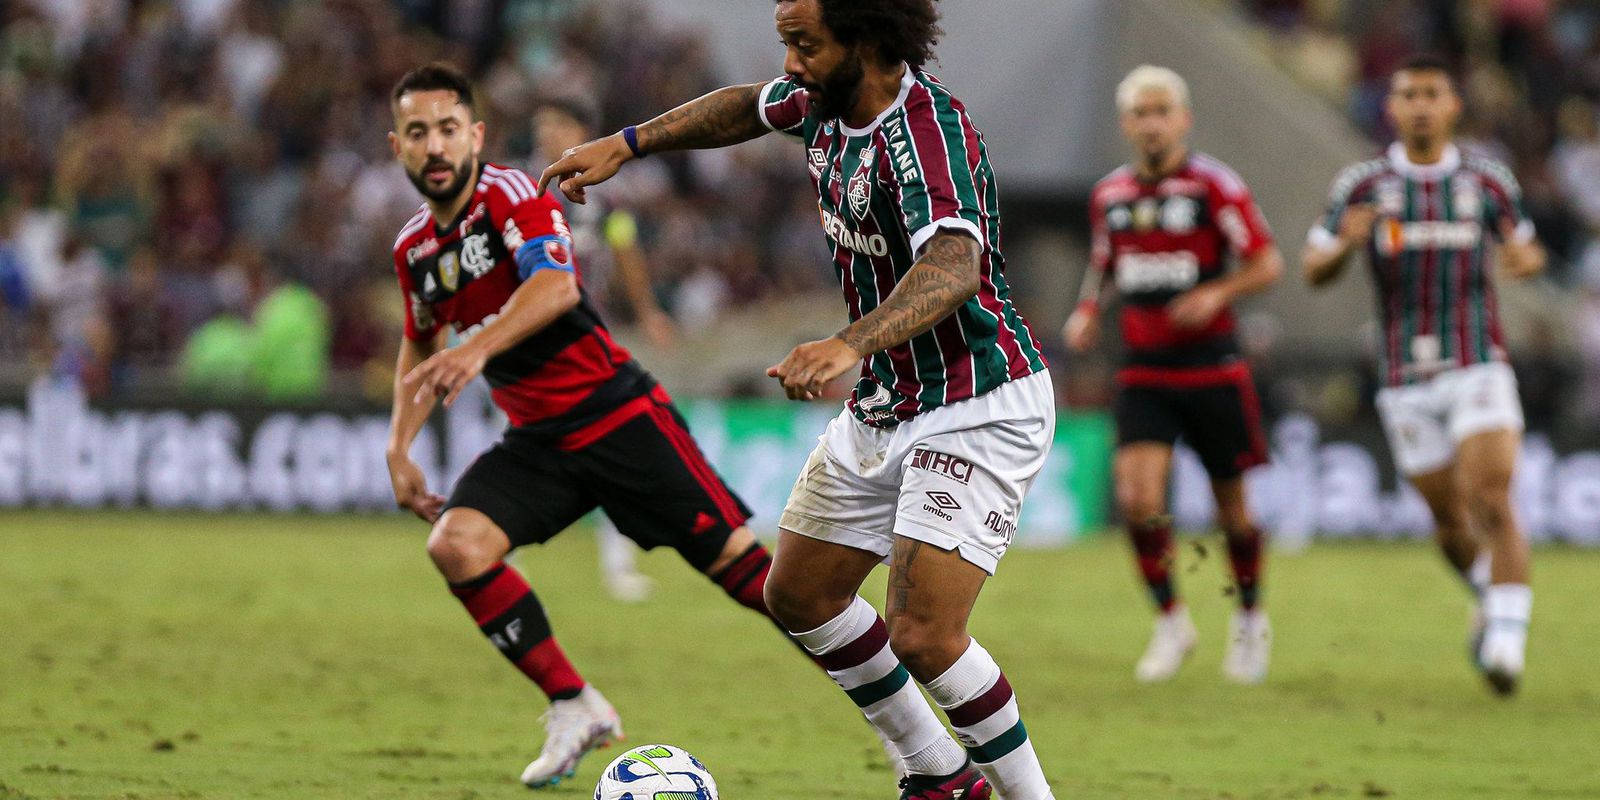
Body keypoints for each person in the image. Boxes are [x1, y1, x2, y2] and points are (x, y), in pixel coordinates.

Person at [541, 1, 1055, 797]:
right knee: (800, 594)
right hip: (892, 397)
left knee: (922, 633)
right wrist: (629, 142)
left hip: (979, 398)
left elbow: (954, 268)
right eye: (787, 42)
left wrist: (848, 343)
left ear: (869, 41)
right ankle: (940, 775)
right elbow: (743, 108)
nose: (791, 64)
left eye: (806, 45)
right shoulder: (817, 99)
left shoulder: (925, 134)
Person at [381, 63, 791, 787]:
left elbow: (555, 286)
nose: (435, 146)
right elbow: (420, 339)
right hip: (539, 441)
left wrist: (474, 348)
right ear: (399, 148)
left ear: (474, 135)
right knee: (458, 545)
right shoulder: (415, 249)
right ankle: (575, 705)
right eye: (418, 133)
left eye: (448, 128)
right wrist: (399, 443)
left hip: (615, 414)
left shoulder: (514, 195)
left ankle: (885, 686)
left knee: (755, 580)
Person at [1301, 55, 1545, 696]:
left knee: (1492, 496)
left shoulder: (1488, 181)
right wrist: (1344, 247)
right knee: (1448, 520)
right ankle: (1491, 597)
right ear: (1392, 107)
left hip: (1478, 363)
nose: (1420, 105)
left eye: (1432, 94)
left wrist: (1525, 258)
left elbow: (1526, 244)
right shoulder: (1362, 184)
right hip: (1404, 374)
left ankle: (1506, 646)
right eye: (1408, 94)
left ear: (1453, 105)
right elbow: (1313, 265)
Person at [1063, 66, 1283, 685]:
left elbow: (1267, 262)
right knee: (1137, 500)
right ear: (1127, 123)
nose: (1153, 122)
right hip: (1144, 369)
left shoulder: (1214, 186)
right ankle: (1171, 622)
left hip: (1213, 367)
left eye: (1163, 111)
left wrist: (1217, 293)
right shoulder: (1111, 195)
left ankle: (1248, 619)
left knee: (1232, 511)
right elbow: (1104, 264)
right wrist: (1086, 311)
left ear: (1183, 119)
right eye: (1141, 112)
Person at [533, 96, 677, 604]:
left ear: (581, 129)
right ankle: (486, 549)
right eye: (542, 125)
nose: (548, 133)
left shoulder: (609, 197)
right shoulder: (526, 192)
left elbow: (625, 251)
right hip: (529, 338)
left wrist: (646, 311)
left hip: (586, 335)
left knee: (612, 442)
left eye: (558, 123)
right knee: (521, 441)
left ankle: (618, 566)